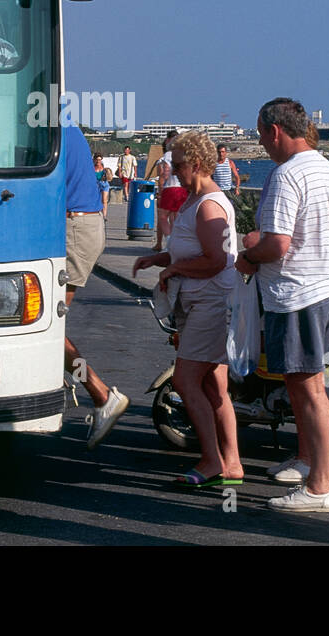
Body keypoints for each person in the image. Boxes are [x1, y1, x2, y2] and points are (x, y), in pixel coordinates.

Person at [235, 98, 329, 512]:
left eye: (261, 135)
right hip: (326, 288)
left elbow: (278, 244)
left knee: (308, 388)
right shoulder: (324, 168)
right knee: (306, 387)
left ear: (274, 131)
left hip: (297, 294)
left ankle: (320, 487)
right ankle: (306, 460)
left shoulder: (286, 175)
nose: (262, 144)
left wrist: (248, 254)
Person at [134, 131, 242, 487]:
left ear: (197, 163)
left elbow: (215, 261)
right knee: (213, 385)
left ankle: (212, 460)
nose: (174, 170)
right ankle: (231, 463)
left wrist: (176, 268)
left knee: (185, 379)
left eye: (178, 164)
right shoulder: (196, 201)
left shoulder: (209, 204)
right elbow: (191, 250)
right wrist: (160, 258)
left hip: (208, 302)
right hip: (203, 301)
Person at [61, 123, 128, 449]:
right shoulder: (63, 124)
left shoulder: (42, 125)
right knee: (48, 325)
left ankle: (101, 395)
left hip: (75, 226)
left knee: (48, 328)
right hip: (82, 223)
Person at [153, 134, 187, 253]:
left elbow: (164, 173)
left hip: (170, 188)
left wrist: (161, 192)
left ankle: (169, 242)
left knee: (162, 217)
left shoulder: (168, 155)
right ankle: (176, 243)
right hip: (182, 189)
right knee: (175, 218)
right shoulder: (183, 154)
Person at [93, 154, 111, 220]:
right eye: (97, 159)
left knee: (104, 200)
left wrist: (107, 174)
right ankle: (98, 213)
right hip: (96, 185)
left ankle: (104, 215)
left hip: (104, 184)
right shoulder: (92, 168)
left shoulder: (103, 167)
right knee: (97, 200)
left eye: (100, 159)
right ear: (94, 160)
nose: (98, 161)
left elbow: (108, 176)